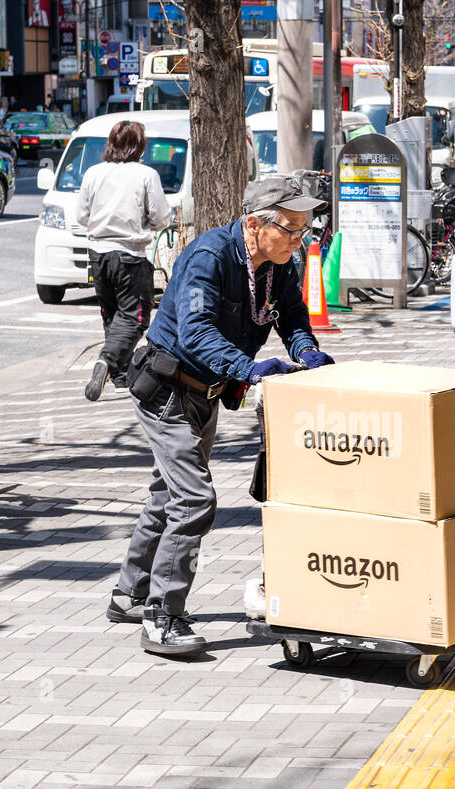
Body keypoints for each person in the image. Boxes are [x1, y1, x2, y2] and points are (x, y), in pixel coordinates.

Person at [107, 176, 334, 657]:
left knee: (168, 492)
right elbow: (195, 333)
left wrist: (306, 350)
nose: (299, 239)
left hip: (207, 395)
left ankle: (128, 593)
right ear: (254, 224)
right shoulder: (208, 258)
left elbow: (292, 316)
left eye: (303, 230)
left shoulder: (278, 266)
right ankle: (161, 618)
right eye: (290, 229)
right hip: (167, 390)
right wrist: (249, 369)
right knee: (194, 500)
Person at [77, 121, 173, 401]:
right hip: (129, 254)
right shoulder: (146, 174)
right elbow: (159, 216)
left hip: (98, 254)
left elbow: (81, 215)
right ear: (140, 146)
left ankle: (119, 376)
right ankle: (106, 361)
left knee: (112, 313)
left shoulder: (94, 173)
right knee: (135, 316)